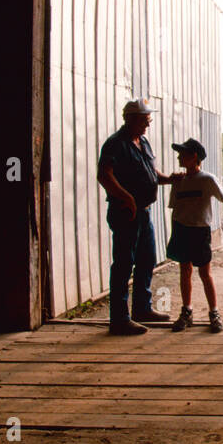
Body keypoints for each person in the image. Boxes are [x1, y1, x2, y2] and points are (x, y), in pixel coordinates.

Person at [97, 99, 178, 335]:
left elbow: (151, 172)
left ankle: (142, 308)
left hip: (144, 211)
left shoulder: (142, 141)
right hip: (125, 213)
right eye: (144, 121)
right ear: (130, 119)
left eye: (148, 121)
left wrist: (168, 178)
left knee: (146, 259)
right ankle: (119, 319)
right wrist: (126, 197)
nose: (147, 125)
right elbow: (104, 175)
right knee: (123, 263)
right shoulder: (115, 144)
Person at [165, 137, 223, 333]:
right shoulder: (178, 181)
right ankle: (187, 311)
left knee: (205, 273)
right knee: (184, 270)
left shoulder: (207, 179)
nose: (179, 157)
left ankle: (214, 312)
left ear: (194, 157)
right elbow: (175, 207)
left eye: (183, 154)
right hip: (181, 229)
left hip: (200, 231)